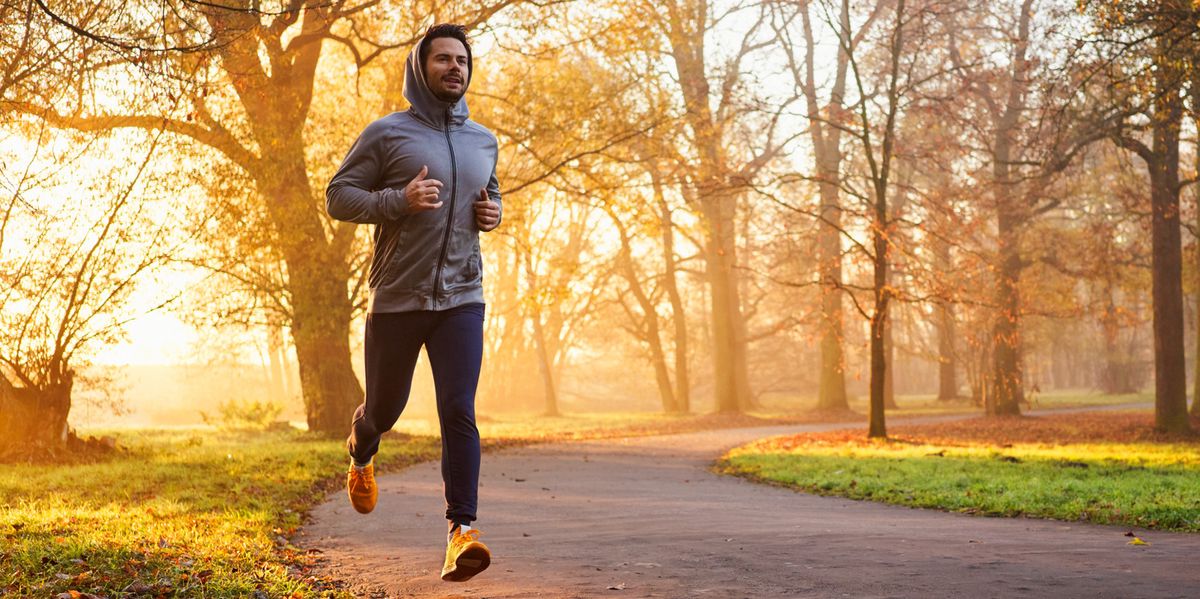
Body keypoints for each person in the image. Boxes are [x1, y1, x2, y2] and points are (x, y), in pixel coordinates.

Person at [324, 22, 502, 583]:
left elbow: (488, 193)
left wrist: (494, 213)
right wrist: (397, 200)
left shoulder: (483, 140)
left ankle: (461, 532)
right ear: (420, 68)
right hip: (398, 297)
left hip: (461, 298)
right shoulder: (387, 133)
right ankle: (361, 449)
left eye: (462, 61)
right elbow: (338, 196)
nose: (455, 68)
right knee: (385, 408)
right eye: (443, 59)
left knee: (459, 408)